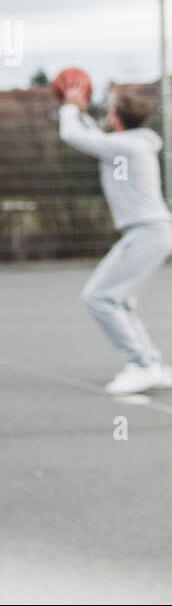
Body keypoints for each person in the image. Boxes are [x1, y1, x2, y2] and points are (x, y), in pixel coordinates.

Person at [58, 81, 172, 394]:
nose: (106, 117)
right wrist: (78, 111)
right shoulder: (130, 144)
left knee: (98, 297)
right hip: (148, 232)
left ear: (117, 119)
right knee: (119, 299)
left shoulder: (126, 146)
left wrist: (70, 105)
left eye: (109, 113)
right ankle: (150, 363)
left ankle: (143, 366)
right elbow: (92, 136)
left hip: (147, 232)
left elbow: (72, 136)